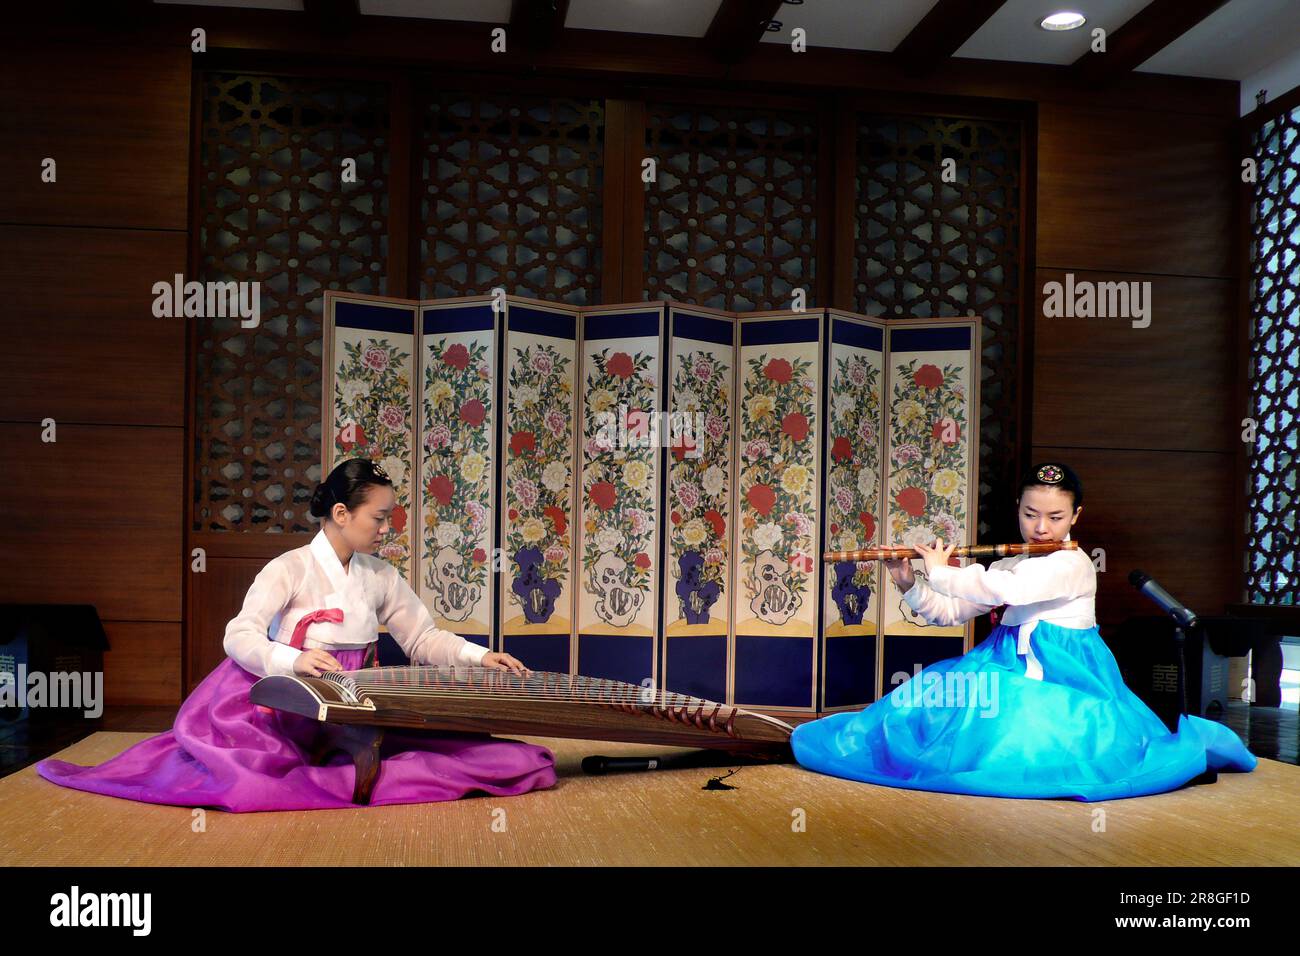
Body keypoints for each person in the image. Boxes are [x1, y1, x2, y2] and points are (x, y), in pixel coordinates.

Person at [37, 457, 557, 811]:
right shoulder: (289, 568)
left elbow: (422, 639)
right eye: (378, 517)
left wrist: (477, 655)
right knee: (248, 781)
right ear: (340, 513)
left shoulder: (379, 575)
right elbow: (238, 635)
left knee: (479, 757)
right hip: (280, 697)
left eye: (388, 518)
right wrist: (292, 660)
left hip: (352, 698)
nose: (385, 528)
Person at [792, 462, 1258, 801]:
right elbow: (951, 611)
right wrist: (910, 580)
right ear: (1018, 507)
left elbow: (1000, 586)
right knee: (930, 693)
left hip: (1062, 676)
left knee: (1006, 716)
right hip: (999, 661)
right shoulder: (1014, 560)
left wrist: (941, 567)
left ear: (1075, 516)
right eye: (1031, 513)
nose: (1040, 527)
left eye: (1055, 517)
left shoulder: (1074, 564)